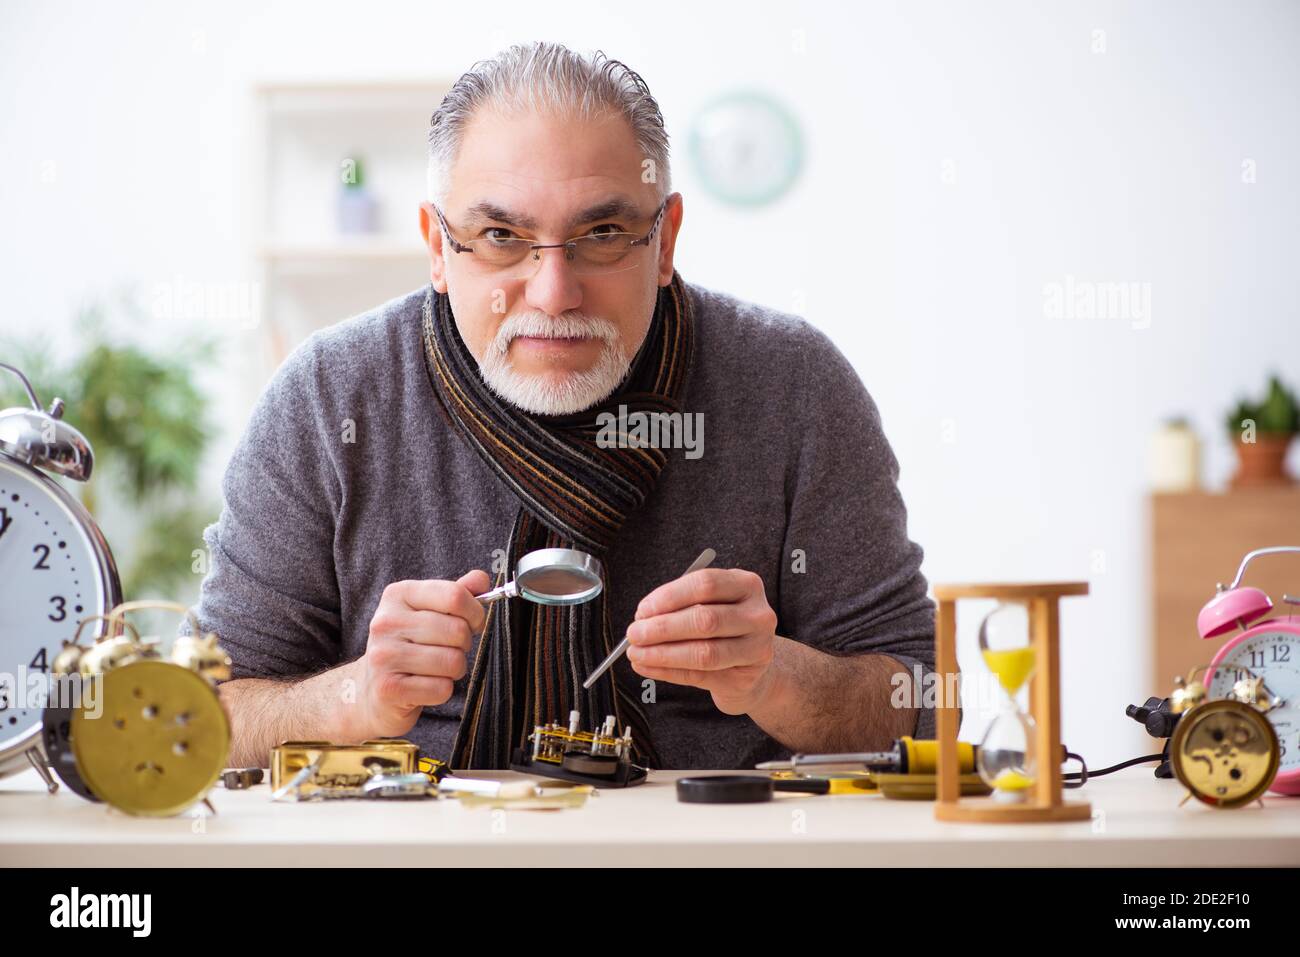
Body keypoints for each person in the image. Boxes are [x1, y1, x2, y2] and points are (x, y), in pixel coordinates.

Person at [196, 41, 939, 770]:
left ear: (666, 237)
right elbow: (200, 716)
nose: (554, 294)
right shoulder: (329, 396)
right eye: (498, 236)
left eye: (604, 234)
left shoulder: (793, 385)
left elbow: (924, 695)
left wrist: (776, 677)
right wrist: (352, 696)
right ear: (435, 247)